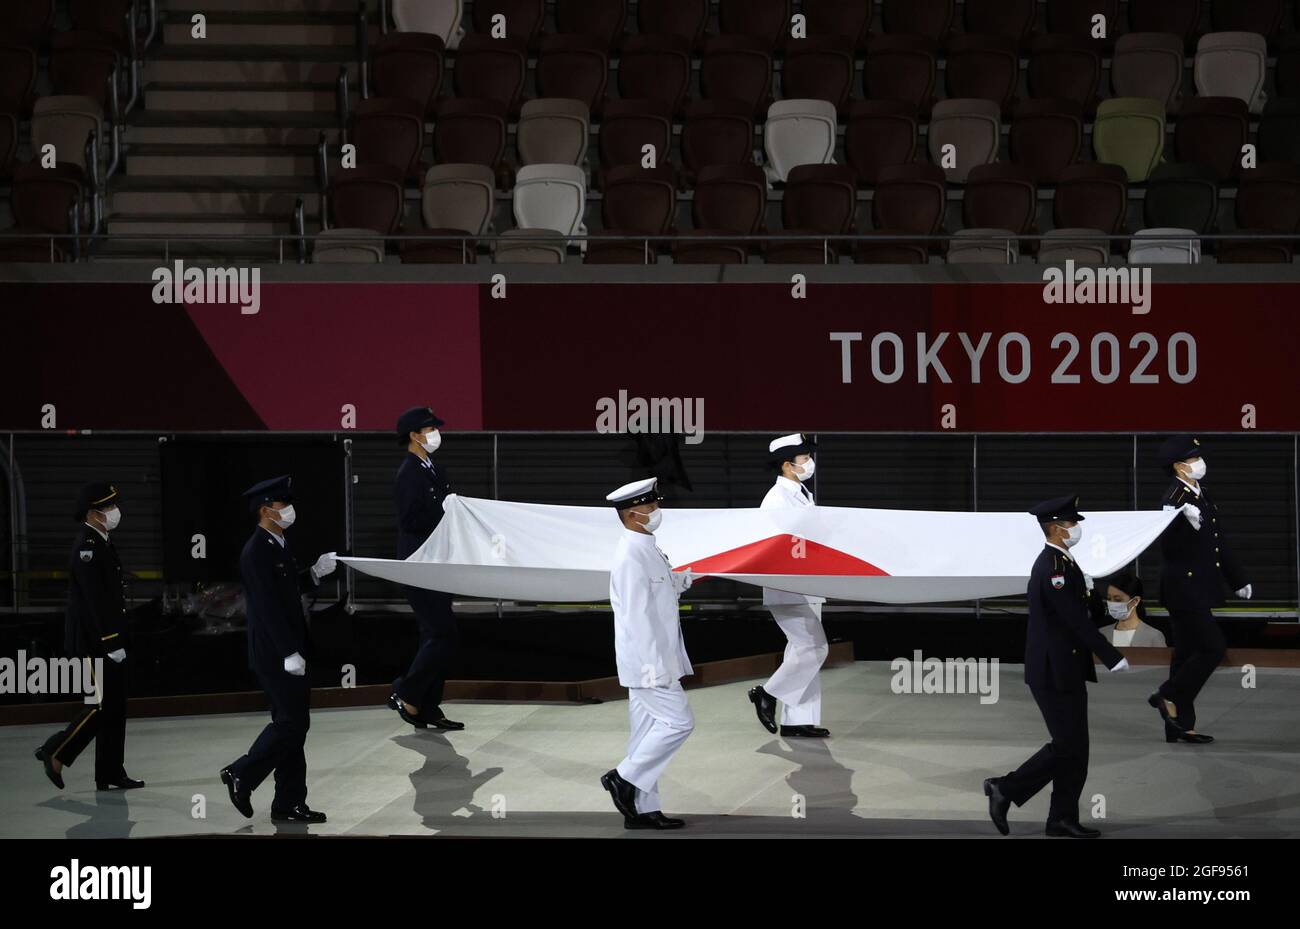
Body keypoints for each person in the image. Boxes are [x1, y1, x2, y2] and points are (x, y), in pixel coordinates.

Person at [983, 494, 1130, 838]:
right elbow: (1074, 621)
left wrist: (1100, 604)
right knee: (1067, 745)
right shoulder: (1053, 567)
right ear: (1056, 528)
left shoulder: (1065, 563)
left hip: (1067, 666)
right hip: (1053, 669)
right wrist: (1111, 656)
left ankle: (1061, 818)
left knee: (1077, 749)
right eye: (1072, 523)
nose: (1077, 528)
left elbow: (1077, 615)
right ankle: (1005, 788)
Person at [220, 475, 337, 823]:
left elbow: (285, 588)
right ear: (266, 511)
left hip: (287, 648)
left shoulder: (277, 543)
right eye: (282, 505)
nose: (288, 510)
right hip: (275, 652)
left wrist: (314, 573)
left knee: (293, 725)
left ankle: (288, 802)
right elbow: (268, 605)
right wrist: (288, 651)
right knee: (291, 723)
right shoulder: (256, 551)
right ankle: (242, 772)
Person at [35, 483, 145, 792]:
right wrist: (111, 641)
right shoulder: (88, 546)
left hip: (108, 638)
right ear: (92, 514)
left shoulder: (101, 540)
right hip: (95, 641)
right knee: (99, 706)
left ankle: (110, 771)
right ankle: (55, 750)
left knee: (115, 707)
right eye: (107, 508)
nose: (113, 512)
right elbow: (95, 599)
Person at [599, 477, 695, 830]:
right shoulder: (629, 555)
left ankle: (642, 809)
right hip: (648, 661)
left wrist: (680, 582)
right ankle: (622, 778)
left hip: (657, 656)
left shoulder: (647, 546)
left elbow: (657, 597)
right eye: (651, 507)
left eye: (656, 504)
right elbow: (635, 617)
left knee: (644, 733)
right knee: (679, 721)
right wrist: (653, 666)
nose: (657, 511)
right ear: (632, 514)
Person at [1151, 435, 1250, 745]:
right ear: (1180, 466)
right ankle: (1166, 696)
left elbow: (1217, 542)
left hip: (1197, 588)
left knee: (1185, 655)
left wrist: (1238, 579)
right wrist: (1179, 523)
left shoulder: (1202, 494)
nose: (1199, 463)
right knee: (1212, 648)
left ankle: (1180, 725)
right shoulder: (1173, 498)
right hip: (1183, 588)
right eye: (1193, 459)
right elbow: (1167, 548)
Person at [748, 433, 831, 738]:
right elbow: (775, 544)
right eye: (804, 459)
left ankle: (797, 721)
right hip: (787, 586)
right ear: (786, 465)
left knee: (800, 653)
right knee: (814, 648)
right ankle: (766, 693)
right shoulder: (776, 499)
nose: (810, 463)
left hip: (807, 584)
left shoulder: (801, 493)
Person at [388, 406, 463, 731]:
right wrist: (443, 512)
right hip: (419, 560)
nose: (435, 434)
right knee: (440, 632)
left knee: (437, 634)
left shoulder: (433, 468)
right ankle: (406, 692)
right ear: (415, 435)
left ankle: (427, 707)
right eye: (430, 429)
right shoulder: (409, 473)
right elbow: (410, 520)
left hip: (437, 560)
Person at [1094, 568, 1166, 648]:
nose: (1112, 603)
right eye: (1109, 599)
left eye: (1118, 599)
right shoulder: (1102, 634)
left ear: (1135, 601)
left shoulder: (1153, 636)